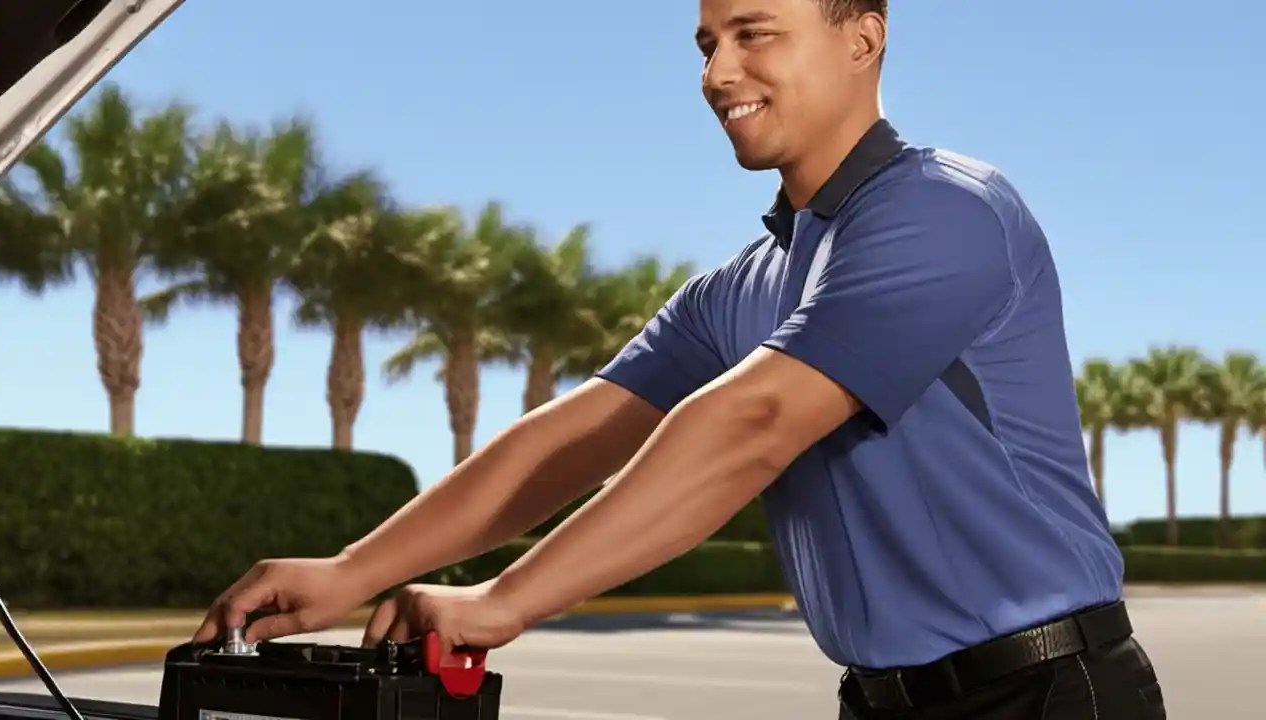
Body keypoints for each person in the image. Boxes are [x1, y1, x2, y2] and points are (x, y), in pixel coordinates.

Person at [193, 1, 1167, 717]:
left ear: (860, 39)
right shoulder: (745, 285)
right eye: (706, 45)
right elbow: (571, 441)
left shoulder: (943, 212)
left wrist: (504, 600)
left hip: (1045, 694)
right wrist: (351, 570)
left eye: (754, 34)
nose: (715, 72)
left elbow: (748, 425)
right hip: (880, 702)